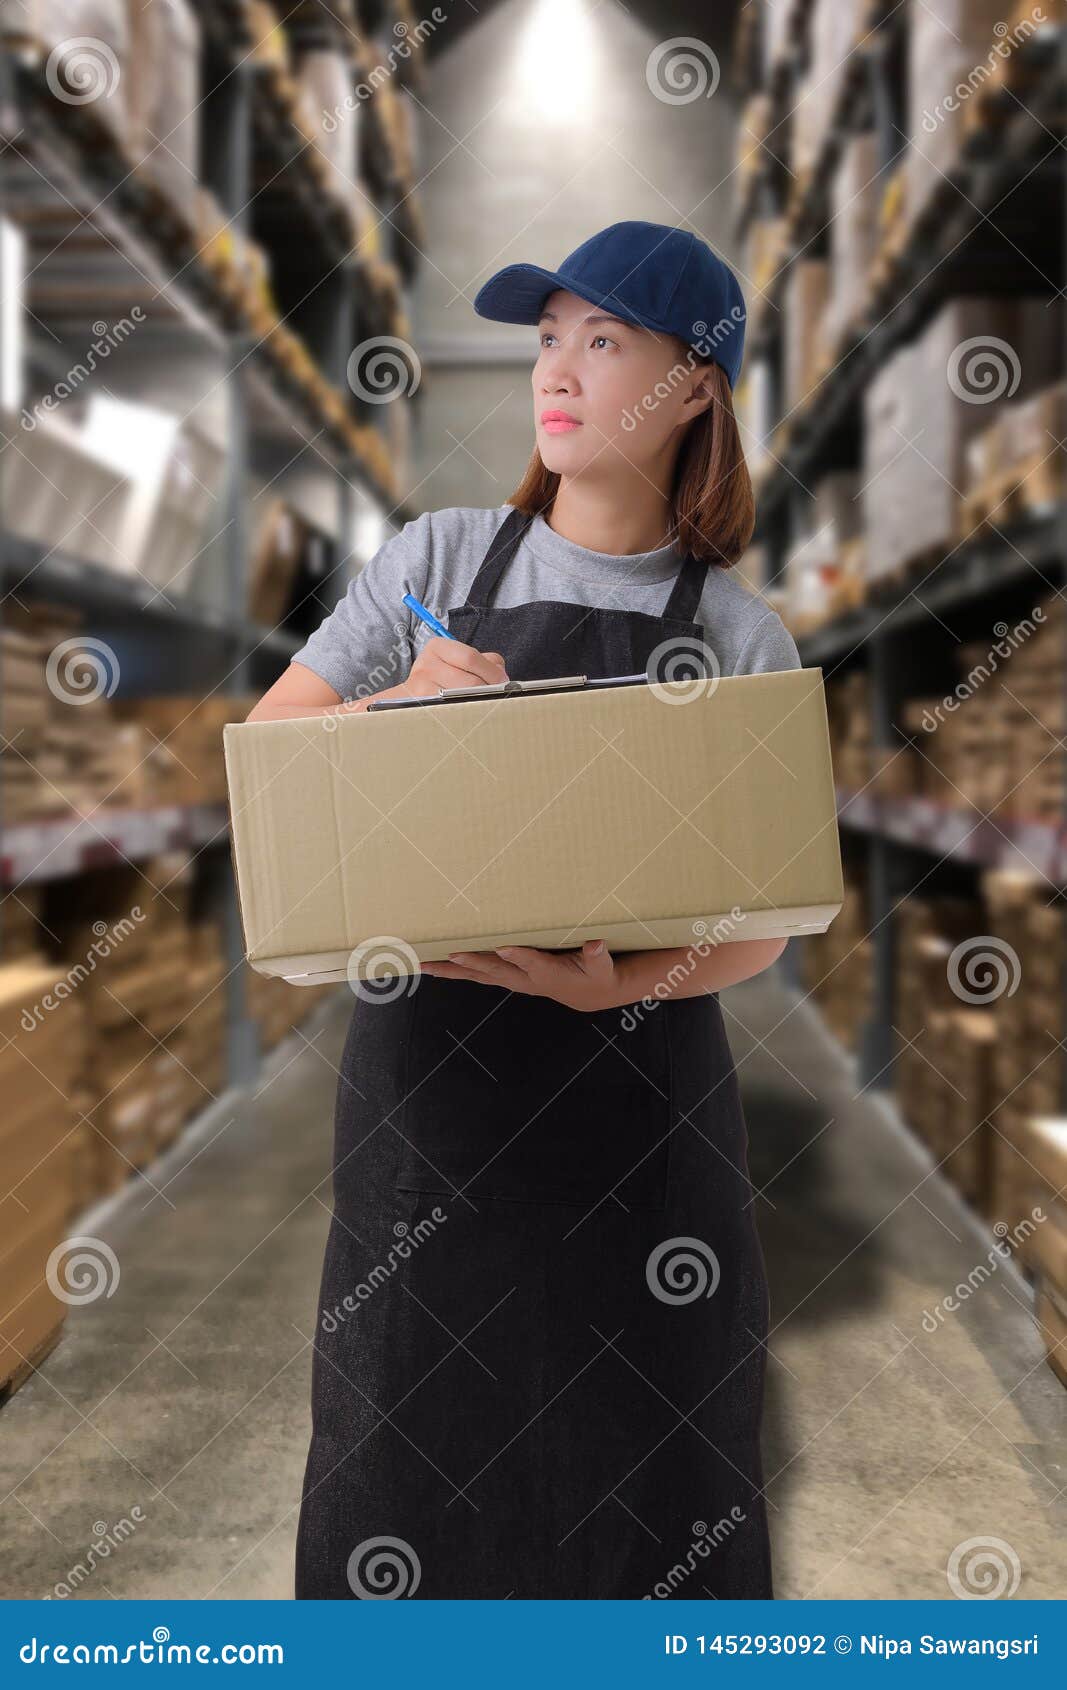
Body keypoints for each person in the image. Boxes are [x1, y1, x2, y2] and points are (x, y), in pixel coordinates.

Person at [247, 220, 802, 1599]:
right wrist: (397, 703)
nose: (556, 370)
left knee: (652, 1466)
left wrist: (625, 984)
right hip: (431, 1110)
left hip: (641, 1119)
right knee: (407, 1445)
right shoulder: (437, 563)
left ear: (695, 385)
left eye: (604, 341)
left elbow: (770, 915)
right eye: (549, 339)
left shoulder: (739, 636)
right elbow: (267, 756)